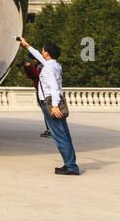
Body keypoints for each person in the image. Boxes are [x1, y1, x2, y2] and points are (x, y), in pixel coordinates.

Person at [17, 36, 79, 175]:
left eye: (43, 49)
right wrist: (27, 45)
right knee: (63, 133)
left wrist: (55, 106)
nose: (42, 51)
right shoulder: (53, 64)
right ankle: (70, 163)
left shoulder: (49, 68)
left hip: (51, 102)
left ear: (47, 52)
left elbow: (54, 87)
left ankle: (71, 166)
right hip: (53, 101)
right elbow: (38, 56)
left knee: (59, 135)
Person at [23, 56, 52, 137]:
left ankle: (51, 130)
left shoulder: (43, 66)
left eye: (34, 59)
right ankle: (49, 129)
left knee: (48, 112)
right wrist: (26, 68)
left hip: (45, 92)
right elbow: (31, 76)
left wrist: (31, 67)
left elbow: (39, 75)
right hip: (39, 91)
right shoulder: (36, 66)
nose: (33, 61)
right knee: (45, 112)